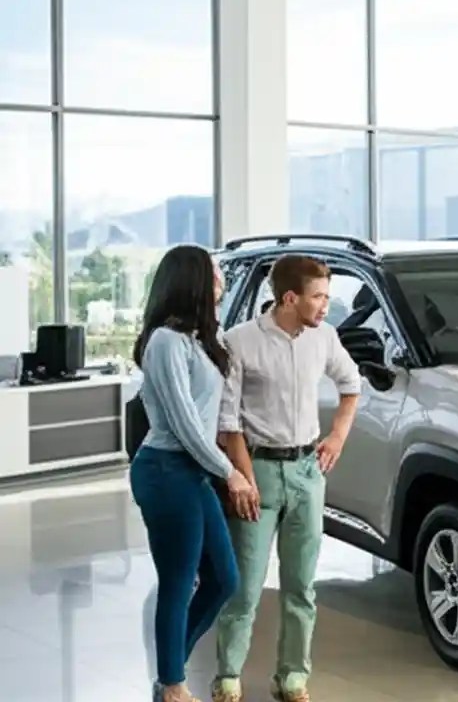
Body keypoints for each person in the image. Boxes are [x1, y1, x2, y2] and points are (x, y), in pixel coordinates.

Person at [212, 255, 362, 702]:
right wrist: (244, 477)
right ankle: (227, 676)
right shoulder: (238, 342)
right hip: (256, 469)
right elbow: (228, 423)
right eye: (318, 297)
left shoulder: (326, 338)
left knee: (302, 585)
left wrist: (336, 436)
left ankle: (293, 676)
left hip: (307, 474)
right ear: (290, 297)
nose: (325, 306)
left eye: (327, 297)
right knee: (245, 586)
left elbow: (352, 385)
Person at [130, 245, 254, 702]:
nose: (222, 277)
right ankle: (174, 685)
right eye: (215, 271)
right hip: (165, 470)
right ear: (193, 280)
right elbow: (184, 424)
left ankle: (168, 670)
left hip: (194, 470)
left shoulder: (201, 339)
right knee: (179, 581)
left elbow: (212, 416)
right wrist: (230, 474)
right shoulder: (165, 341)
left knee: (224, 578)